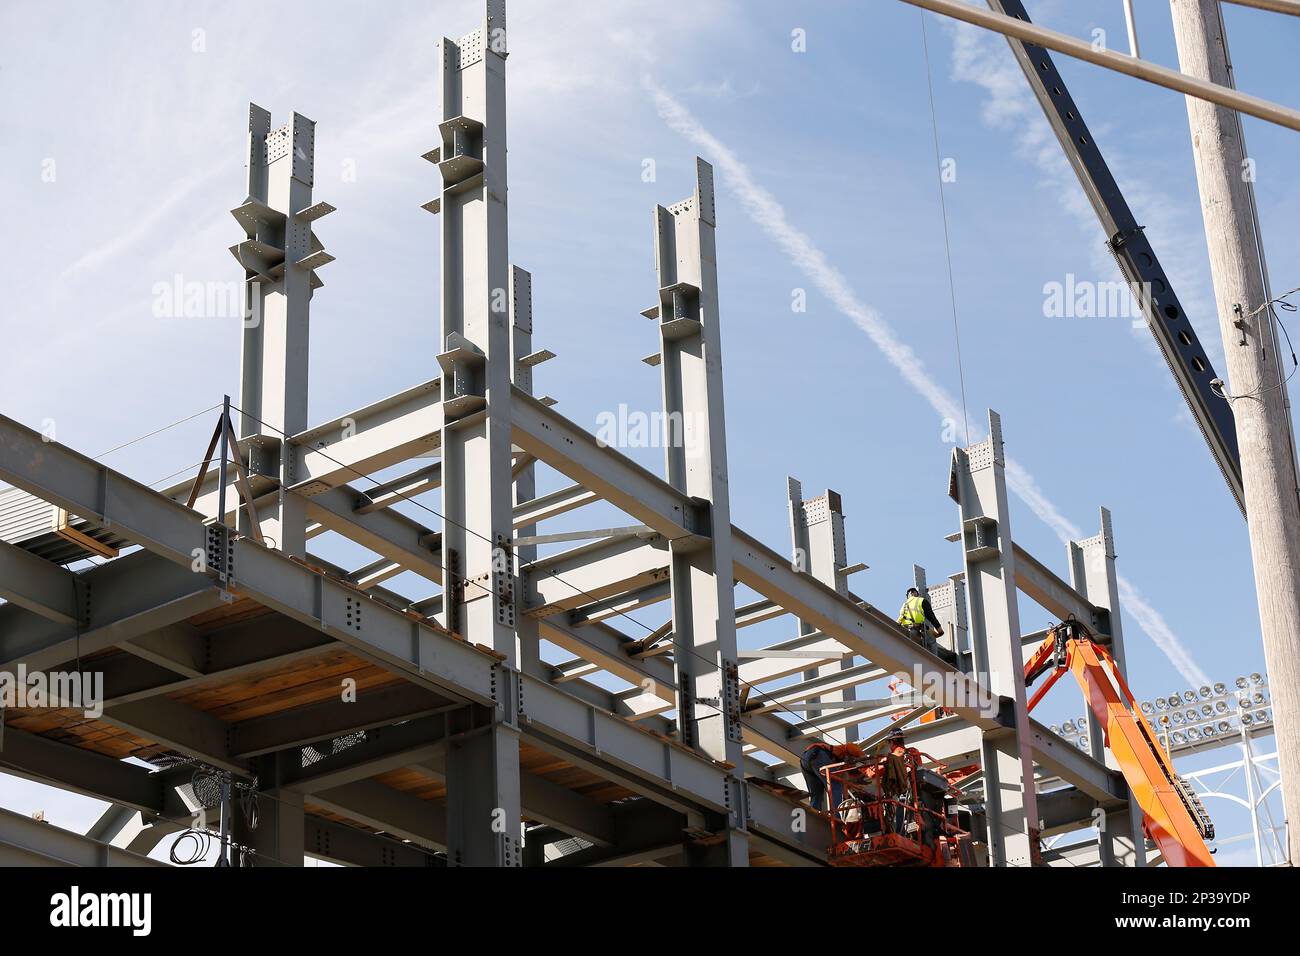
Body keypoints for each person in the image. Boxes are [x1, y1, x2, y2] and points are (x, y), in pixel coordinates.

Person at [800, 740, 865, 811]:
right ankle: (838, 814)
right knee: (835, 785)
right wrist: (867, 764)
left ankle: (813, 814)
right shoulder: (849, 749)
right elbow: (860, 754)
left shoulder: (843, 767)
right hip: (817, 753)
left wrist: (847, 798)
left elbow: (844, 784)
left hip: (805, 759)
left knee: (816, 793)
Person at [898, 587, 957, 663]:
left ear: (908, 596)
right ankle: (935, 663)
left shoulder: (904, 605)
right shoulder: (921, 601)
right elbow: (931, 616)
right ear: (916, 593)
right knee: (932, 642)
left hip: (906, 630)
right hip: (915, 630)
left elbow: (900, 620)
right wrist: (940, 630)